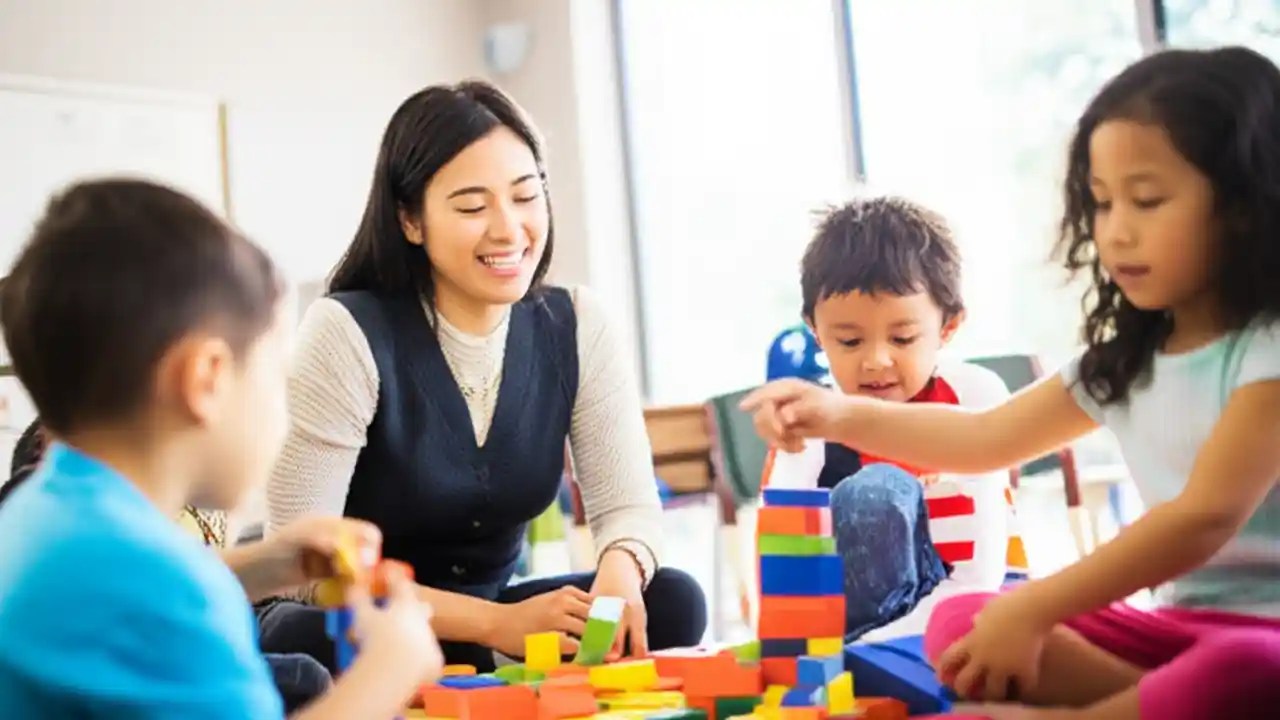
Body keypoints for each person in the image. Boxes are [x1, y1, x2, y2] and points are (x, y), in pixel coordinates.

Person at [741, 46, 1280, 720]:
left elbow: (1201, 518)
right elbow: (984, 438)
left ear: (1245, 206)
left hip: (1266, 639)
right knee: (962, 624)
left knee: (1249, 668)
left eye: (1146, 201)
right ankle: (1149, 704)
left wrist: (1035, 606)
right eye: (1103, 204)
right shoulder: (1125, 360)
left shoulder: (1268, 351)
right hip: (1177, 631)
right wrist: (833, 415)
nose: (1116, 232)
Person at [259, 80, 705, 672]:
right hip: (359, 616)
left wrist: (619, 576)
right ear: (410, 221)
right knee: (306, 636)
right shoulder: (345, 331)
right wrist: (497, 625)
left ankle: (477, 661)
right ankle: (479, 656)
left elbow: (628, 505)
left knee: (672, 599)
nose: (508, 229)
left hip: (496, 610)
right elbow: (298, 569)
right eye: (473, 206)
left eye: (526, 197)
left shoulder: (577, 324)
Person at [0, 179, 443, 718]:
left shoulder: (42, 514)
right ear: (207, 378)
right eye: (275, 376)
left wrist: (262, 566)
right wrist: (390, 670)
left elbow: (121, 605)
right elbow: (155, 600)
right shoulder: (166, 590)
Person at [760, 196, 1023, 640]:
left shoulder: (972, 396)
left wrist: (869, 649)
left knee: (876, 493)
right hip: (850, 636)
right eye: (848, 341)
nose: (876, 361)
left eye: (902, 338)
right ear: (816, 332)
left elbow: (978, 580)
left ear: (948, 327)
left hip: (969, 621)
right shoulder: (812, 430)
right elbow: (787, 583)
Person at [0, 417, 332, 713]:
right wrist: (381, 670)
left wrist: (271, 563)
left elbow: (139, 582)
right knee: (306, 680)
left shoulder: (33, 520)